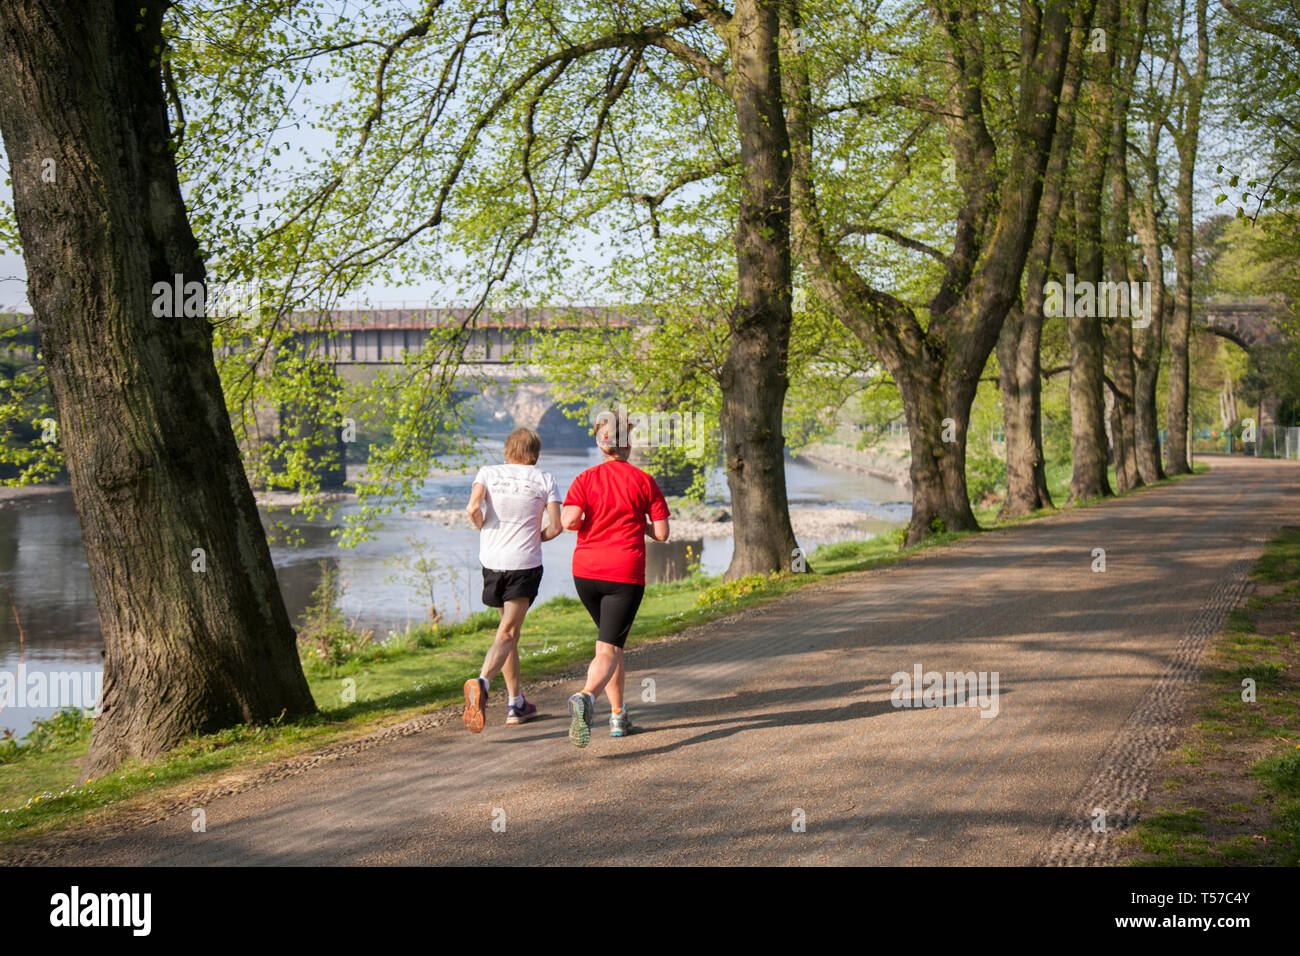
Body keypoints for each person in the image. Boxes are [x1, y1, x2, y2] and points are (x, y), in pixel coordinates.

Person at [561, 416, 670, 747]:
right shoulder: (643, 480)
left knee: (608, 645)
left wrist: (591, 518)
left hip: (585, 572)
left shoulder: (584, 478)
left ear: (600, 444)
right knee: (610, 646)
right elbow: (662, 533)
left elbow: (569, 521)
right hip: (623, 573)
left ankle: (618, 715)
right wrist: (638, 523)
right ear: (628, 445)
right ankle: (586, 696)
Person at [462, 427, 562, 732]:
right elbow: (556, 527)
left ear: (507, 451)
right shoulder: (545, 479)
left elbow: (472, 508)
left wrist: (484, 529)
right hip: (523, 564)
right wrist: (537, 537)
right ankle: (482, 682)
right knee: (507, 633)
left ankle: (516, 703)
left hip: (493, 563)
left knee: (507, 634)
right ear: (536, 455)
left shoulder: (487, 472)